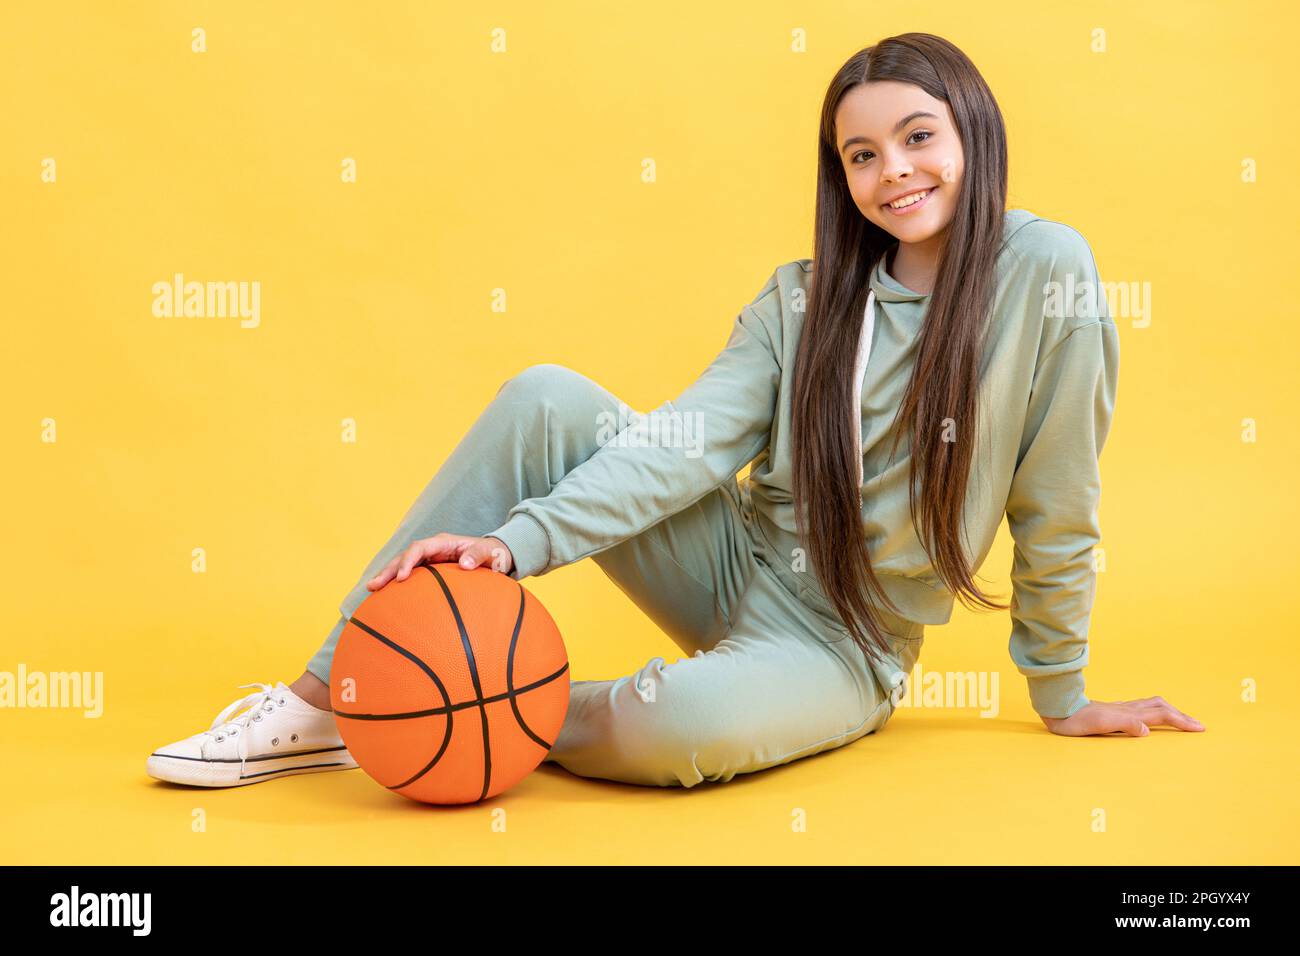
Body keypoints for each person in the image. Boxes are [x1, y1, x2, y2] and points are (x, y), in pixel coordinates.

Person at [146, 32, 1203, 792]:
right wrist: (517, 547)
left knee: (672, 730)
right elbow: (681, 442)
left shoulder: (1045, 273)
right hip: (737, 559)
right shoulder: (803, 297)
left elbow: (1058, 492)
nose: (895, 173)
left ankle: (430, 705)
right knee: (546, 395)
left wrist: (1059, 689)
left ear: (971, 128)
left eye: (917, 136)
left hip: (846, 645)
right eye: (861, 155)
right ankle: (330, 693)